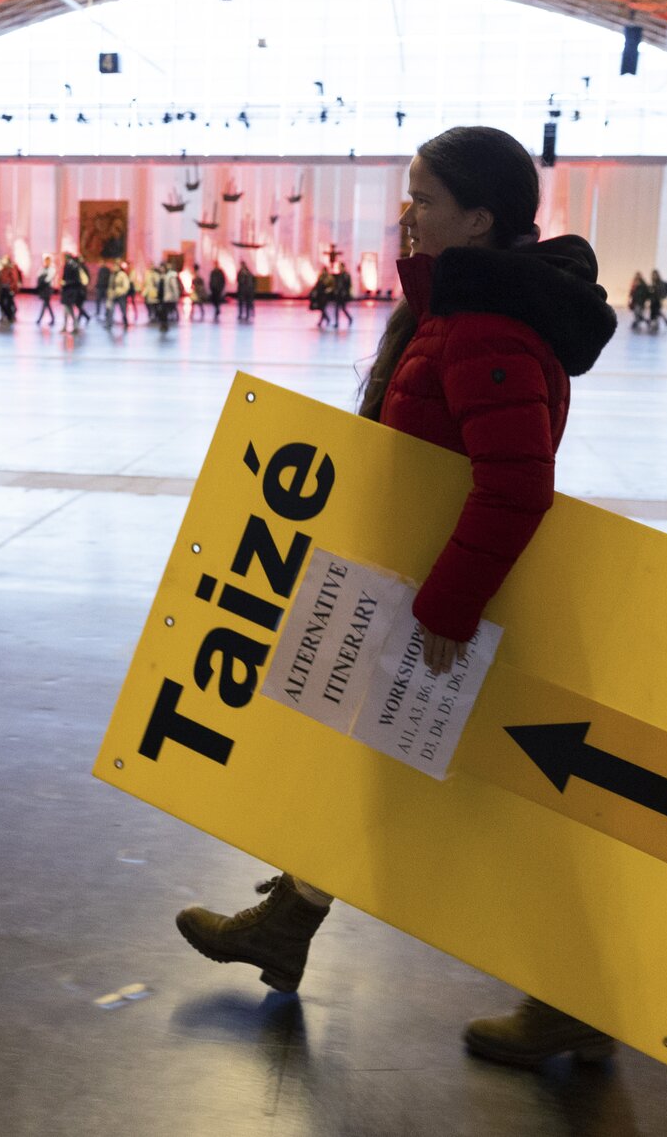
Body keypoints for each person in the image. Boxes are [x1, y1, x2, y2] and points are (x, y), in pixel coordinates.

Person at [172, 126, 619, 1070]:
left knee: (490, 809)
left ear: (479, 216)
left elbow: (514, 483)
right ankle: (287, 924)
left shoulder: (487, 328)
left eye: (422, 195)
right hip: (423, 592)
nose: (405, 210)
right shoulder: (454, 313)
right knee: (371, 763)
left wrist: (446, 611)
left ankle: (575, 993)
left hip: (456, 611)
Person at [62, 253, 90, 332]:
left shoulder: (75, 267)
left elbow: (78, 280)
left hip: (72, 290)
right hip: (70, 290)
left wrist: (66, 283)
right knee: (68, 308)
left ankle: (75, 325)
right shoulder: (71, 266)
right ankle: (70, 325)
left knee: (70, 308)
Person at [108, 258, 134, 328]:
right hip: (113, 294)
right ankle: (109, 323)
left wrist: (123, 292)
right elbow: (110, 285)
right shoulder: (112, 275)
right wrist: (109, 292)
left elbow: (126, 285)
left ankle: (125, 321)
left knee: (123, 308)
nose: (114, 268)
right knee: (110, 308)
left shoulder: (122, 274)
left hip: (120, 294)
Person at [0, 254, 22, 323]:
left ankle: (10, 316)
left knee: (9, 303)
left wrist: (12, 288)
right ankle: (9, 315)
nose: (3, 260)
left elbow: (14, 279)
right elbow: (1, 278)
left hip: (9, 288)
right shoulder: (3, 268)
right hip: (3, 287)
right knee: (2, 302)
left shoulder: (11, 268)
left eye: (4, 259)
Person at [34, 255, 57, 326]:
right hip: (43, 288)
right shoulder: (43, 268)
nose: (46, 262)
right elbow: (38, 275)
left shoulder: (52, 269)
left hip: (48, 288)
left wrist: (43, 279)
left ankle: (40, 319)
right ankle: (52, 318)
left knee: (46, 303)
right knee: (46, 304)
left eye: (48, 261)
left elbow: (48, 279)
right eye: (46, 261)